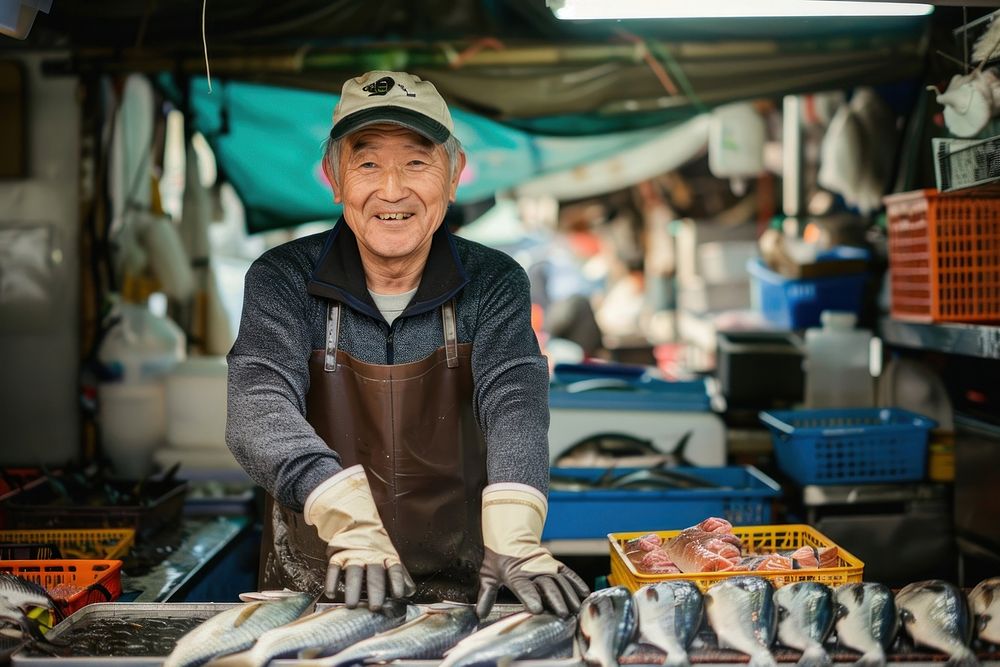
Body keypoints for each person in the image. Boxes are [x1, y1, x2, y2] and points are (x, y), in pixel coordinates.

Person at [226, 70, 590, 619]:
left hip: (463, 599)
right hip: (316, 594)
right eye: (367, 163)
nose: (392, 190)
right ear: (333, 177)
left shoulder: (494, 281)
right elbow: (257, 408)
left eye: (417, 163)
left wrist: (516, 533)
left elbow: (514, 404)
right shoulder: (283, 279)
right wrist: (348, 520)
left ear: (454, 175)